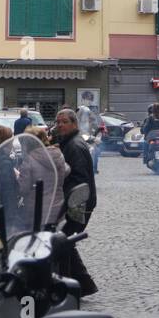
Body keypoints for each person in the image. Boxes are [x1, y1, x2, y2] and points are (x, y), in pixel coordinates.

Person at [52, 107, 98, 295]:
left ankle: (69, 288)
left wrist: (65, 204)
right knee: (66, 241)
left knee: (62, 241)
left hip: (77, 204)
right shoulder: (68, 143)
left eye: (64, 122)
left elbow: (78, 180)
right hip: (75, 202)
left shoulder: (75, 146)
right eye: (58, 121)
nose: (60, 125)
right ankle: (84, 285)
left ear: (74, 124)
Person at [25, 125, 72, 223]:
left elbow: (23, 187)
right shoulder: (58, 154)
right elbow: (67, 170)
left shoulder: (29, 159)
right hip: (57, 208)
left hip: (37, 211)